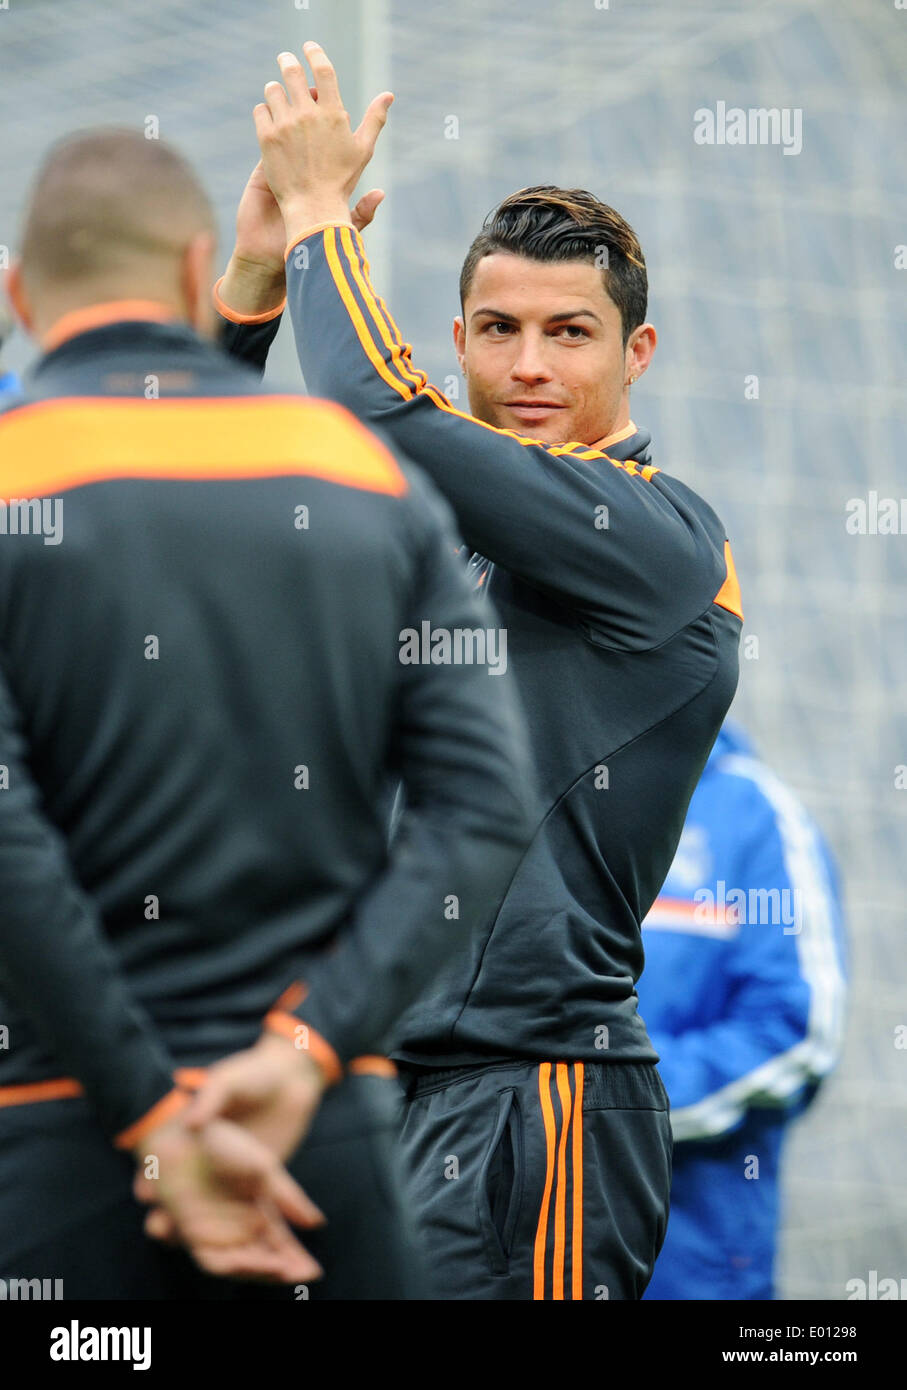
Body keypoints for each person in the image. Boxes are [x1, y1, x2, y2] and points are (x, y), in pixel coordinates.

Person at [212, 41, 743, 1301]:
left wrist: (318, 214)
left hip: (536, 1104)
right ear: (457, 339)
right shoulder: (422, 538)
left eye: (571, 333)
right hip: (364, 1093)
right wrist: (250, 286)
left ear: (638, 352)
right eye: (499, 331)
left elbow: (383, 411)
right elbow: (174, 505)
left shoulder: (663, 538)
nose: (529, 366)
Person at [0, 126, 534, 1300]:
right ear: (200, 270)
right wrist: (302, 1051)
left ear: (20, 297)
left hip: (58, 1148)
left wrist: (151, 1115)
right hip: (317, 1146)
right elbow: (486, 806)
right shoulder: (362, 475)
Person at [637, 719, 847, 1300]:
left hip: (689, 1264)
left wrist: (613, 1104)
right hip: (513, 1253)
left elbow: (797, 1033)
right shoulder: (521, 797)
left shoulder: (753, 815)